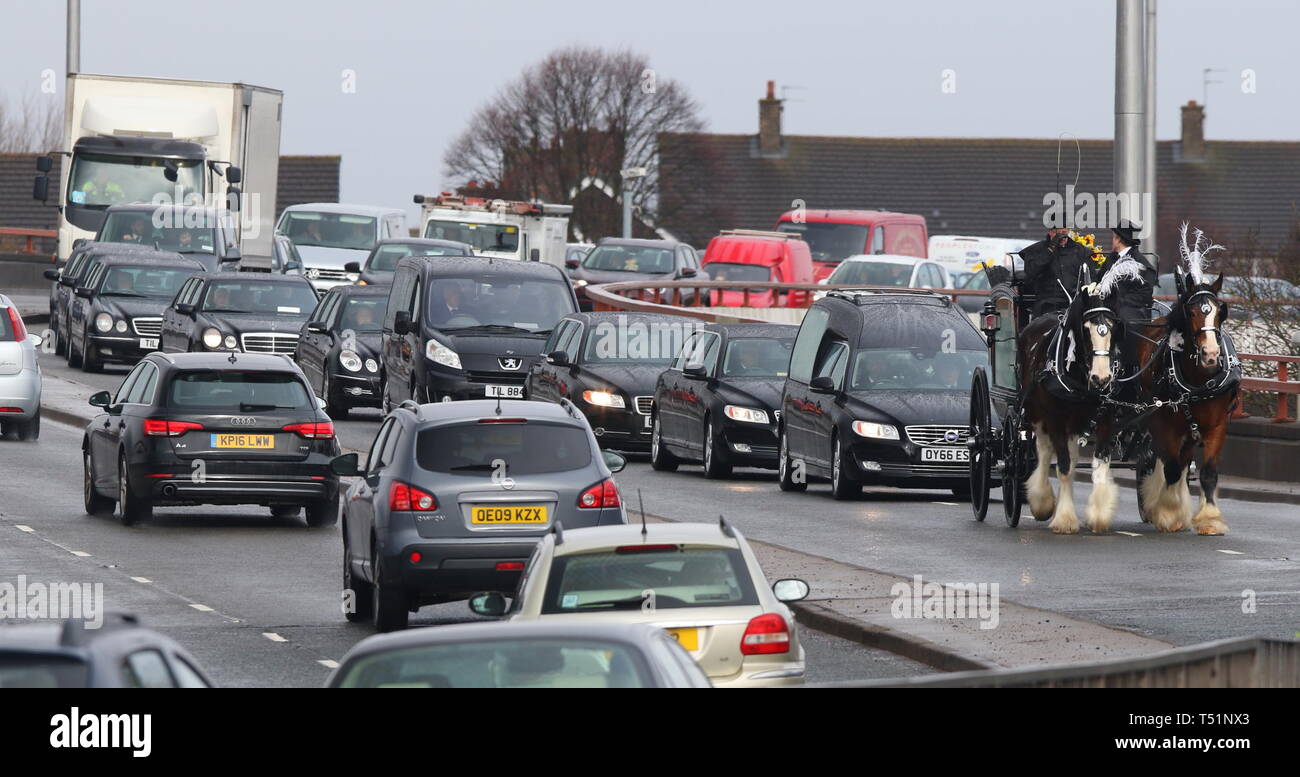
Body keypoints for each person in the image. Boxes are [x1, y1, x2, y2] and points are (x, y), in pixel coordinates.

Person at [1020, 226, 1095, 318]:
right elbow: (1031, 271)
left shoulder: (1081, 251)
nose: (1061, 237)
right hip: (1048, 303)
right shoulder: (1037, 250)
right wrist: (1051, 248)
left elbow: (1092, 279)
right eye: (1057, 233)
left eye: (1064, 232)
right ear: (1050, 232)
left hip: (1077, 303)